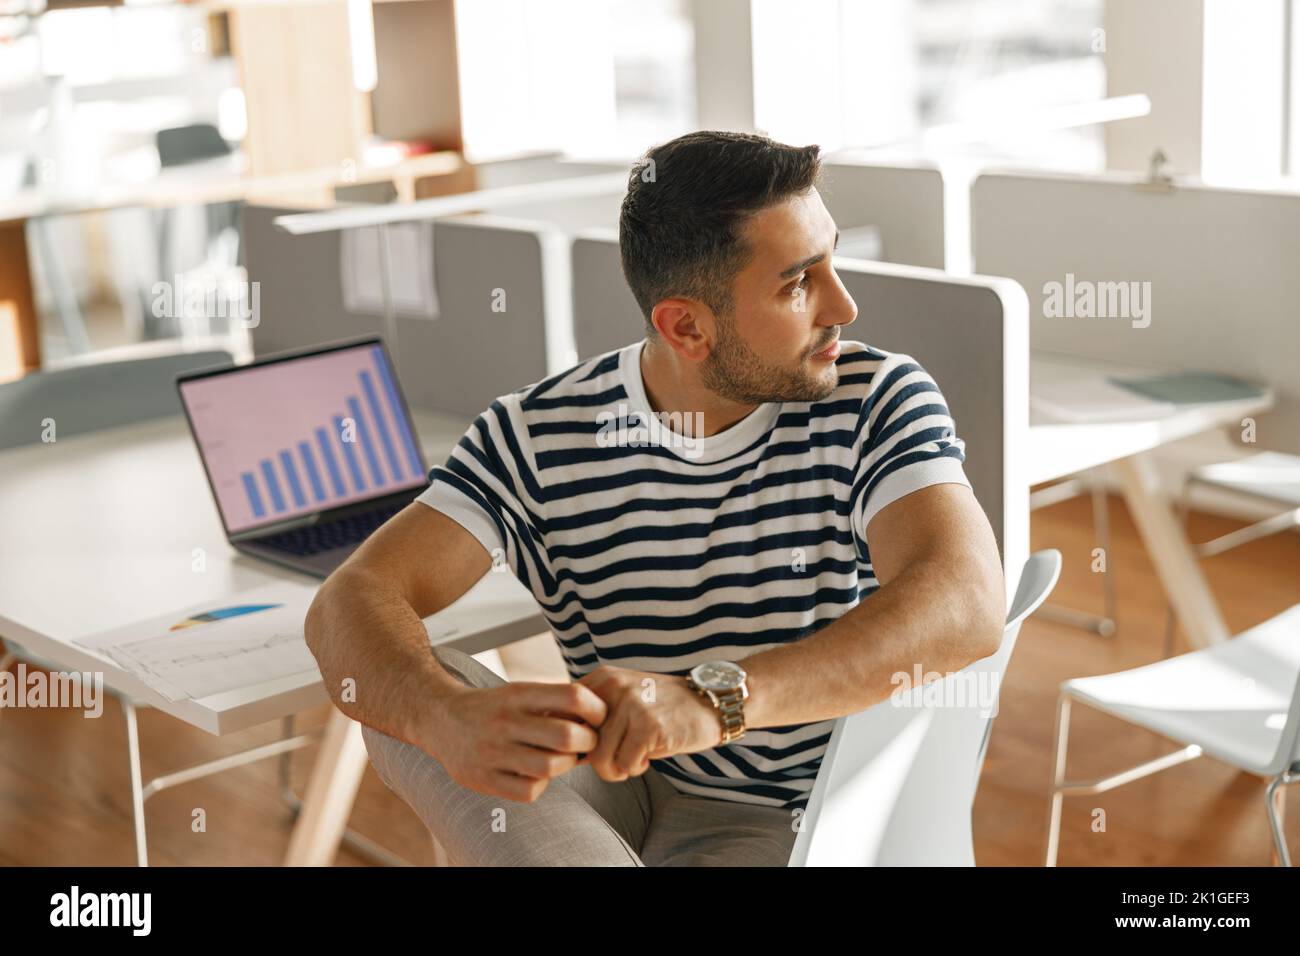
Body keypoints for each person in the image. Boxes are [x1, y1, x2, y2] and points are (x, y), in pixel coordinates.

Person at [303, 130, 1006, 866]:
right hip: (618, 780)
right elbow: (349, 600)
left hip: (795, 809)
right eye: (799, 282)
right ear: (687, 326)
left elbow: (963, 602)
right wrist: (448, 720)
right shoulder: (538, 432)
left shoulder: (875, 397)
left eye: (831, 262)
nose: (843, 305)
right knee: (399, 684)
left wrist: (712, 702)